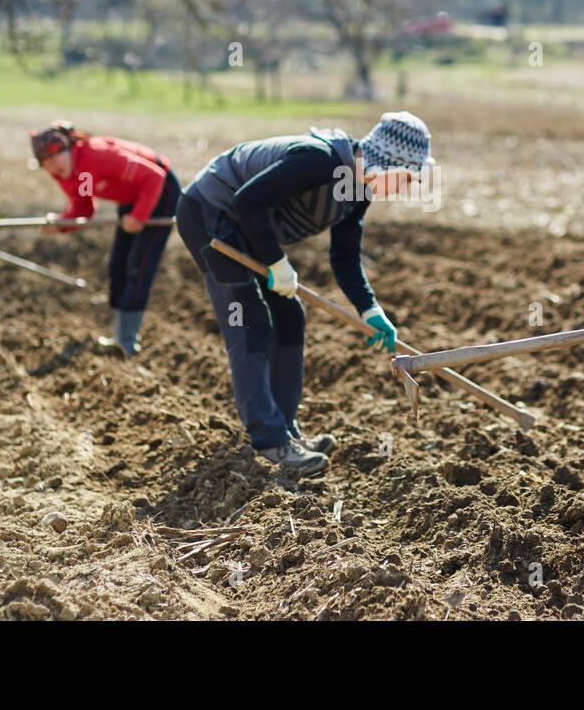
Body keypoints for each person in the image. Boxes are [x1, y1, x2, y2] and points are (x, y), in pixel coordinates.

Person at [175, 112, 433, 475]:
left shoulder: (358, 191)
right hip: (210, 213)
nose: (404, 189)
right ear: (387, 161)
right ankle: (269, 440)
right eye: (406, 177)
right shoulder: (318, 160)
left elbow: (344, 256)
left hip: (246, 225)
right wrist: (277, 263)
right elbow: (248, 202)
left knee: (290, 316)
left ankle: (286, 429)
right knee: (249, 322)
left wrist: (369, 309)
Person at [31, 122, 180, 358]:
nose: (52, 168)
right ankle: (119, 336)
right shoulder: (72, 174)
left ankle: (128, 341)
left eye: (54, 159)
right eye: (45, 164)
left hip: (160, 192)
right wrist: (60, 224)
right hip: (132, 198)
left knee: (138, 265)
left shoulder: (96, 158)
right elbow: (83, 208)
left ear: (68, 148)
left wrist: (140, 217)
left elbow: (154, 177)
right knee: (117, 265)